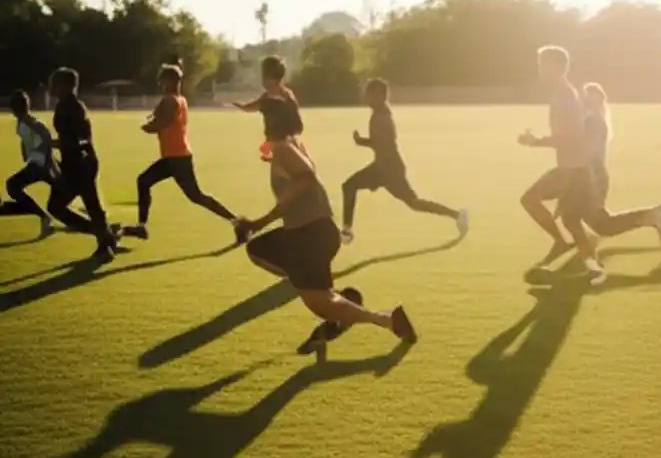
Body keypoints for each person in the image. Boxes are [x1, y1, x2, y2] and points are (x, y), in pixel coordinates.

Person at [232, 56, 417, 353]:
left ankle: (385, 319)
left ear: (269, 122)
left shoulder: (284, 150)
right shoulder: (291, 145)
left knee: (319, 302)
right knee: (258, 250)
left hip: (310, 236)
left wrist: (262, 221)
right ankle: (338, 302)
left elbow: (306, 179)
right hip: (310, 234)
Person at [115, 63, 240, 240]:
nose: (160, 83)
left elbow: (163, 123)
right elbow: (165, 118)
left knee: (195, 195)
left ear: (167, 81)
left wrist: (148, 127)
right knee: (145, 182)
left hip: (176, 158)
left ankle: (237, 221)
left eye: (162, 79)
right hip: (176, 156)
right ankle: (141, 226)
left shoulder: (170, 100)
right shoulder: (180, 99)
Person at [341, 78, 468, 244]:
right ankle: (457, 215)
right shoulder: (380, 114)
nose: (365, 97)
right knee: (414, 203)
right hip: (387, 168)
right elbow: (382, 143)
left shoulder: (381, 117)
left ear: (378, 95)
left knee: (349, 186)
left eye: (368, 93)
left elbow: (384, 144)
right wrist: (363, 142)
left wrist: (365, 147)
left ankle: (347, 231)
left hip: (387, 169)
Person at [518, 45, 606, 285]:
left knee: (565, 216)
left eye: (543, 64)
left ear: (558, 67)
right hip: (572, 167)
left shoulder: (565, 97)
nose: (540, 70)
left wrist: (536, 141)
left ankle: (591, 264)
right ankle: (583, 257)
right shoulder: (562, 94)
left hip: (574, 169)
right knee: (570, 218)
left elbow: (573, 136)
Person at [569, 82, 661, 256]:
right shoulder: (593, 119)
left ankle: (653, 215)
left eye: (586, 95)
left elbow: (590, 152)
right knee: (577, 213)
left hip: (591, 177)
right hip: (593, 175)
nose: (582, 98)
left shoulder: (592, 121)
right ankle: (588, 242)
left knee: (603, 225)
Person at [48, 67, 117, 261]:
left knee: (59, 206)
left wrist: (51, 143)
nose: (51, 87)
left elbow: (79, 139)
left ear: (64, 86)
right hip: (80, 162)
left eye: (54, 83)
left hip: (78, 164)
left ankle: (104, 239)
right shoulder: (72, 105)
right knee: (88, 206)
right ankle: (105, 237)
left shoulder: (69, 108)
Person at [1, 89, 61, 236]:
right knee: (64, 194)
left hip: (39, 166)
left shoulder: (33, 124)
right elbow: (30, 140)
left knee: (12, 185)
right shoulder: (22, 123)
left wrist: (50, 165)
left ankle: (43, 216)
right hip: (38, 165)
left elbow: (45, 142)